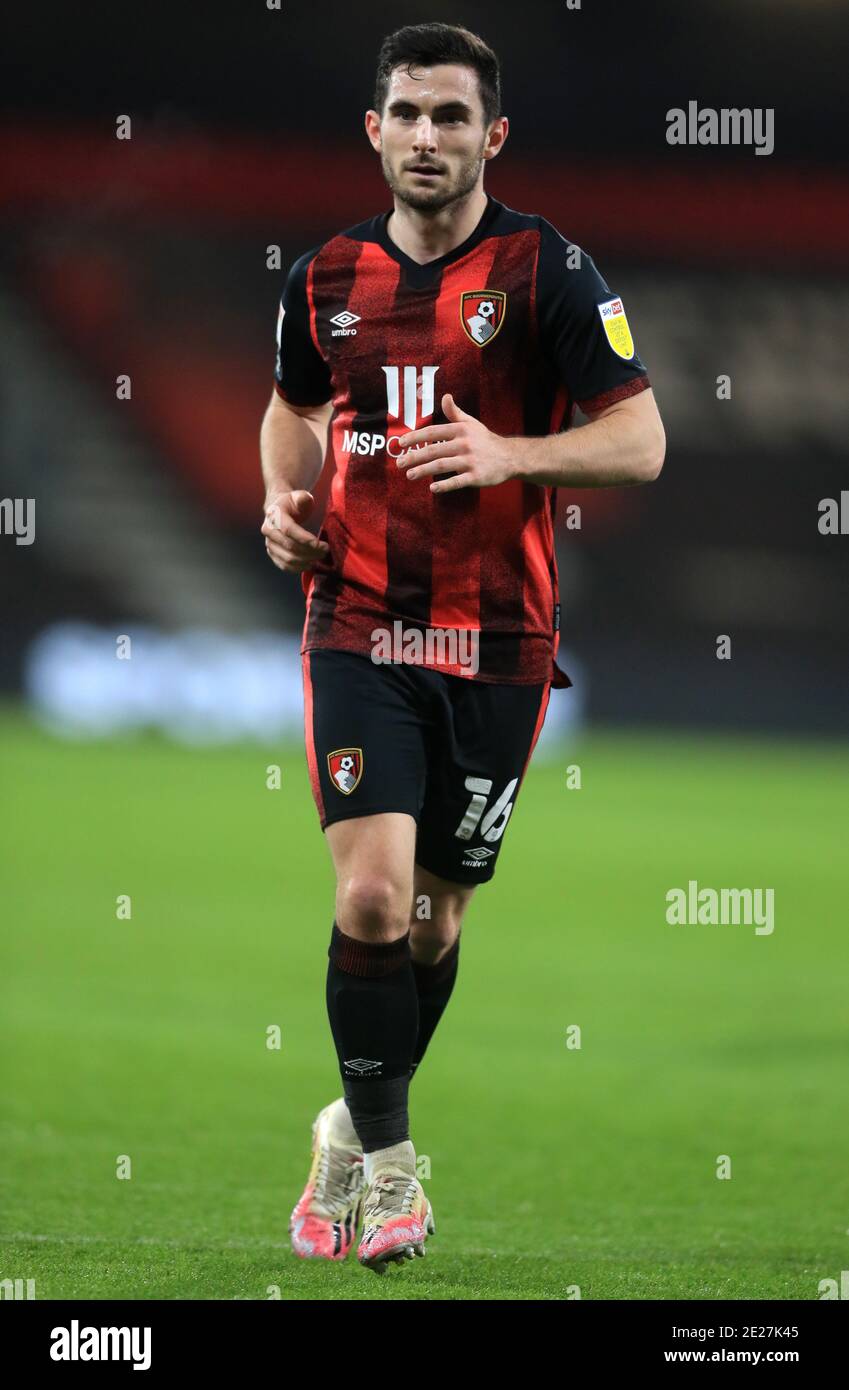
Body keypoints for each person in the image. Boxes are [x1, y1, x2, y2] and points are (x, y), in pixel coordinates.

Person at [259, 21, 665, 1275]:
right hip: (363, 626)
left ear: (491, 136)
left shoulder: (550, 272)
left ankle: (345, 1126)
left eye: (451, 117)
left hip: (497, 642)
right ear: (372, 131)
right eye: (406, 114)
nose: (426, 136)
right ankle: (390, 1174)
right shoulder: (324, 277)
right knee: (372, 895)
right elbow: (292, 409)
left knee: (434, 925)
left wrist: (513, 454)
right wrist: (281, 504)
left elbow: (640, 439)